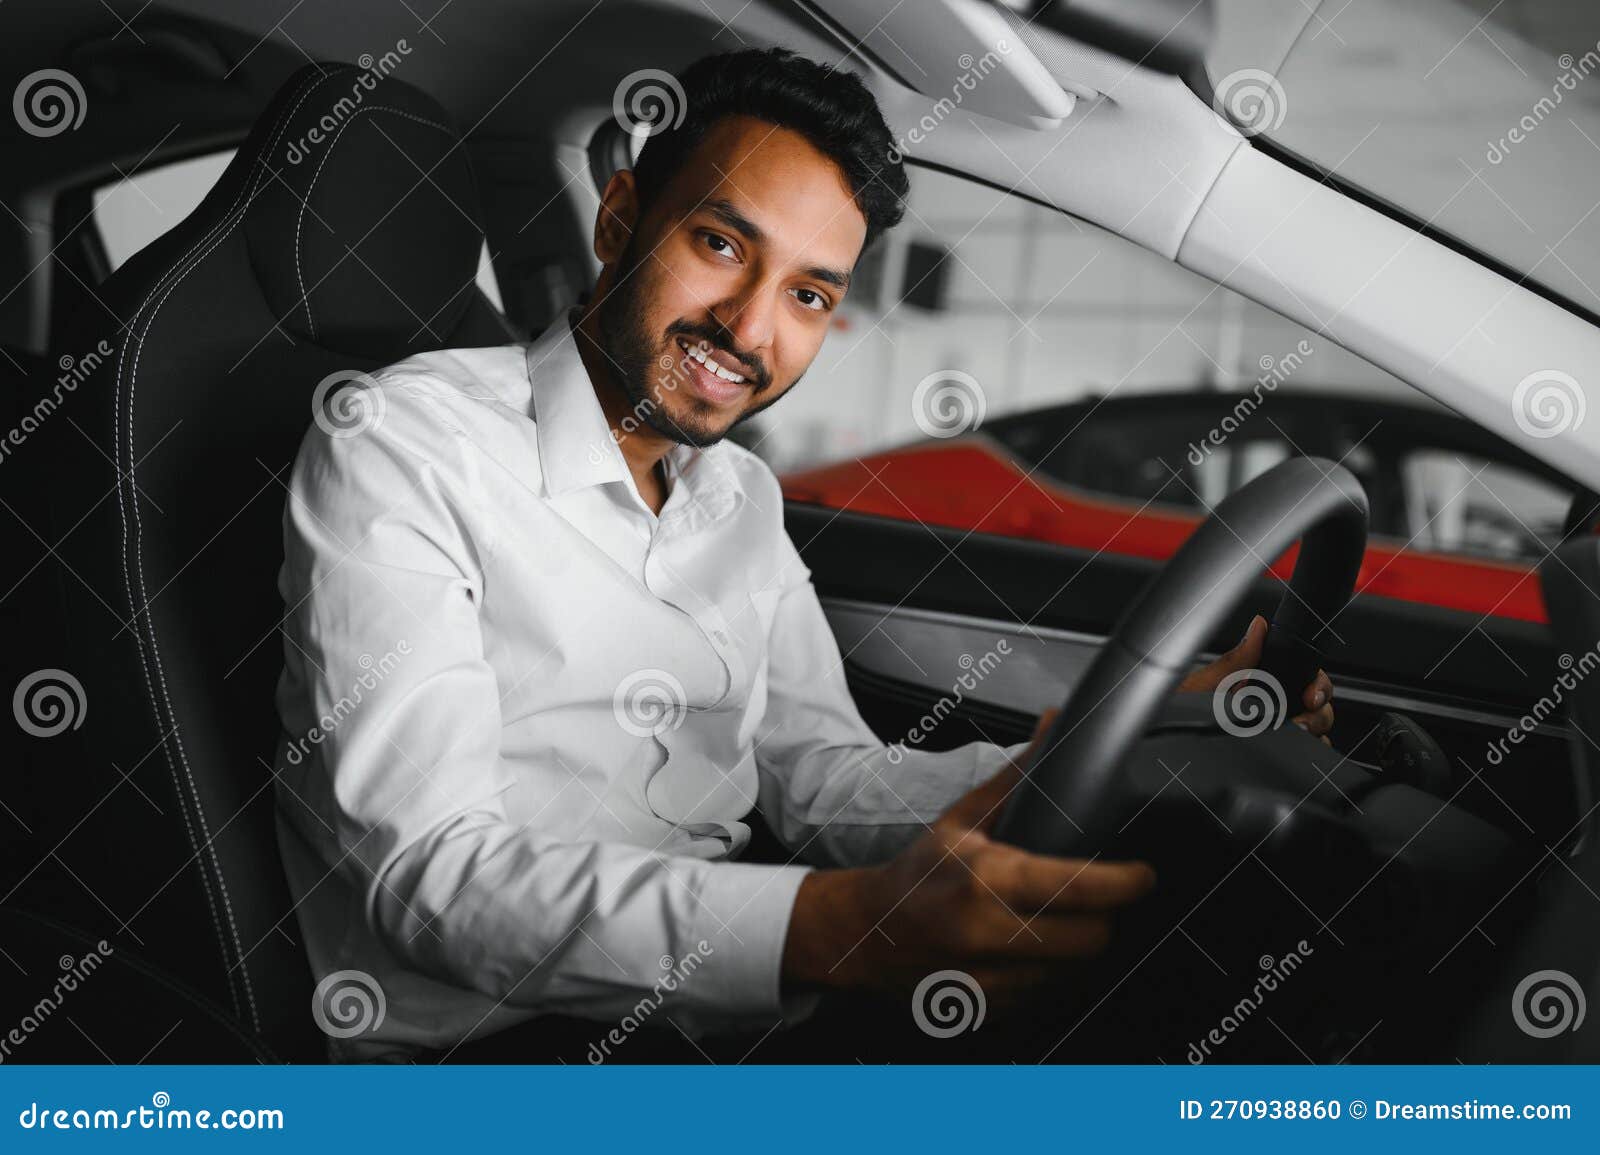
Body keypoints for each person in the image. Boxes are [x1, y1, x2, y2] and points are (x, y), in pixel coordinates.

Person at [272, 47, 1334, 1063]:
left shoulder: (738, 495)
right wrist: (831, 926)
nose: (748, 328)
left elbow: (822, 783)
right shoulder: (404, 442)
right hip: (496, 1057)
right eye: (722, 245)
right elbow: (428, 879)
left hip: (734, 1019)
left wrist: (1138, 734)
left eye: (809, 295)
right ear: (620, 218)